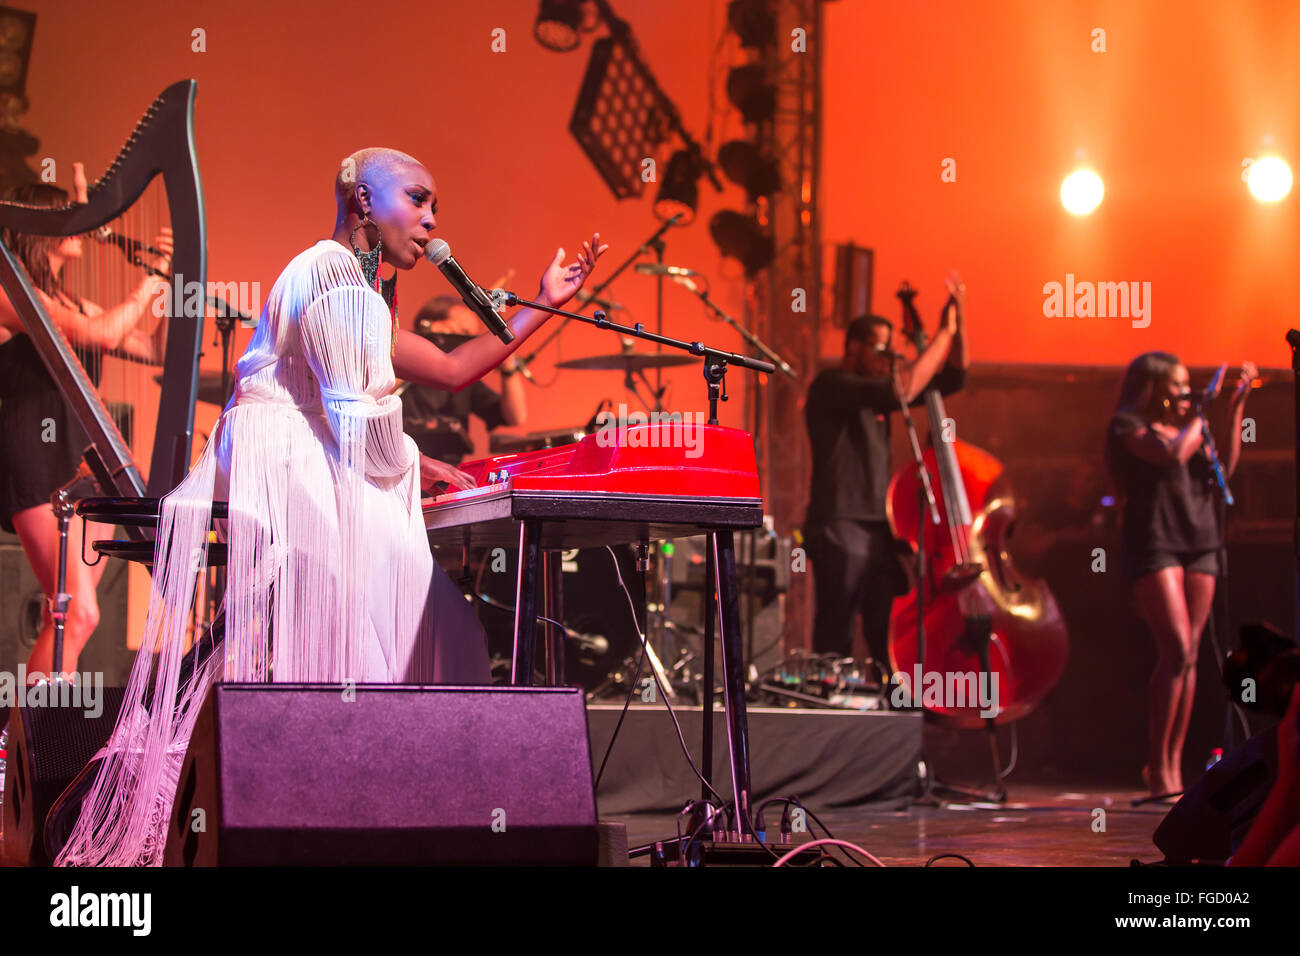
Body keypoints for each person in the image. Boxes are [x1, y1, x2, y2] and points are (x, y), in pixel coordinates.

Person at [53, 147, 607, 866]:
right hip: (286, 466)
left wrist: (543, 304)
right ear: (363, 201)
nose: (433, 218)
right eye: (418, 197)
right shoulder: (334, 281)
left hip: (306, 460)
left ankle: (379, 811)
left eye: (436, 204)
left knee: (430, 626)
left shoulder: (352, 288)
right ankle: (362, 816)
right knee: (415, 629)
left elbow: (451, 367)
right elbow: (356, 420)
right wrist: (413, 464)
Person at [0, 166, 172, 681]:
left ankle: (44, 744)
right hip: (33, 456)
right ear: (39, 232)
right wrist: (148, 285)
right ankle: (26, 750)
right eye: (66, 219)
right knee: (76, 612)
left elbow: (153, 348)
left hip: (77, 463)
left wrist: (169, 280)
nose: (77, 228)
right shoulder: (11, 295)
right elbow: (99, 334)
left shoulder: (73, 301)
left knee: (76, 615)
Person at [1105, 352, 1256, 799]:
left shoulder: (1194, 427)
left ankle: (1171, 765)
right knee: (1175, 646)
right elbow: (1170, 455)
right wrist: (1202, 413)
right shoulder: (1128, 425)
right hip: (1156, 541)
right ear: (1152, 386)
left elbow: (1221, 469)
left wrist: (1234, 410)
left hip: (1199, 539)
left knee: (1189, 654)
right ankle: (1158, 764)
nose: (1184, 392)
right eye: (1177, 384)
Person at [803, 273, 968, 668]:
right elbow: (903, 388)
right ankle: (826, 710)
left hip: (880, 530)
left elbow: (953, 377)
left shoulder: (882, 391)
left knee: (888, 631)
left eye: (893, 353)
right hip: (840, 525)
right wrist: (941, 334)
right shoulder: (832, 385)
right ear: (854, 348)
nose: (889, 361)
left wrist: (957, 329)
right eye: (881, 351)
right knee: (836, 631)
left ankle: (891, 717)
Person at [399, 294, 527, 466]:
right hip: (400, 467)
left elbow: (515, 418)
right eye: (463, 334)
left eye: (471, 338)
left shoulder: (465, 380)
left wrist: (509, 370)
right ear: (432, 326)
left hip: (448, 474)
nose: (467, 344)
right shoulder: (400, 365)